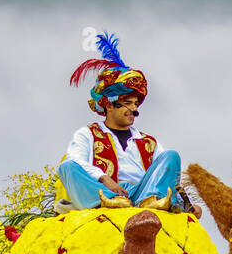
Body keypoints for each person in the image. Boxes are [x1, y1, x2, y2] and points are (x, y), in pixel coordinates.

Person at [57, 32, 183, 211]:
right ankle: (110, 201)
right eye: (127, 103)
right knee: (68, 167)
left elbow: (168, 175)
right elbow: (75, 161)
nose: (133, 109)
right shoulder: (88, 134)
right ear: (108, 105)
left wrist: (187, 204)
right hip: (104, 190)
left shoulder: (149, 142)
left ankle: (149, 201)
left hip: (143, 193)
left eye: (135, 104)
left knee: (171, 156)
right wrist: (104, 179)